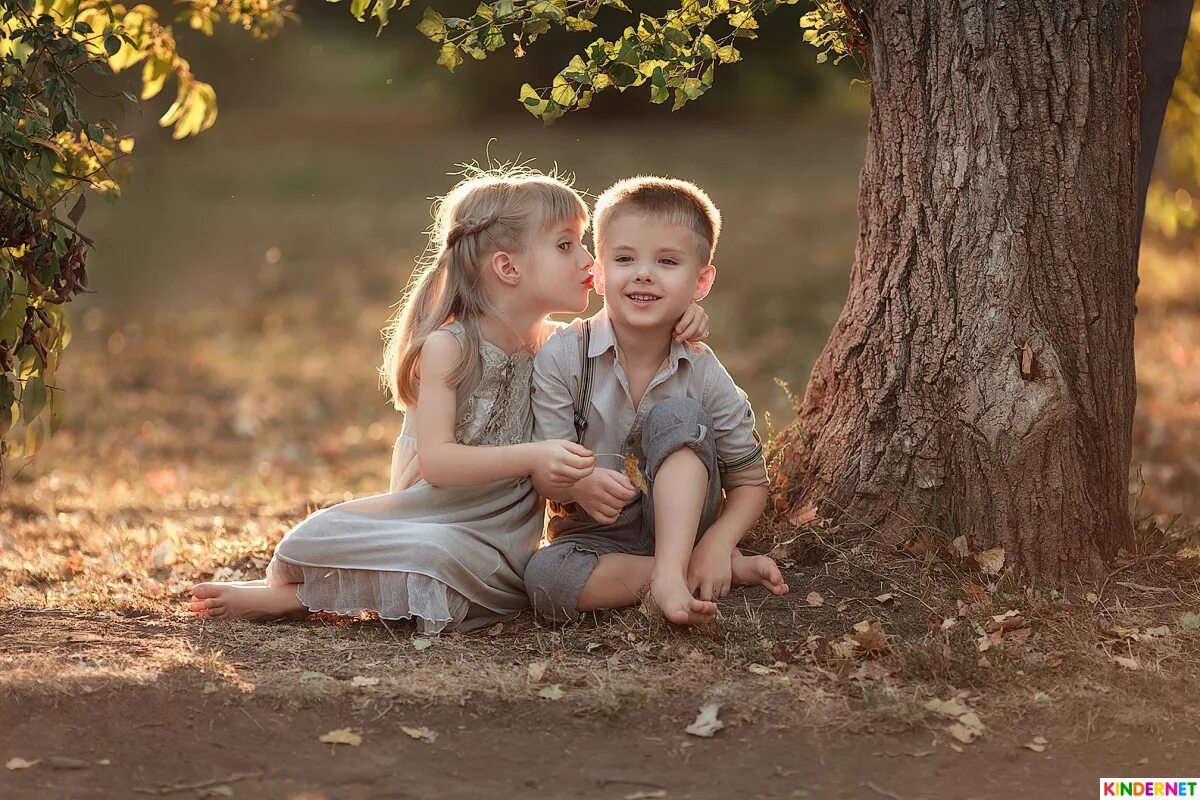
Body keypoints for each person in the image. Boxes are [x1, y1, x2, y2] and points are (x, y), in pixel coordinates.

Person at [189, 167, 710, 632]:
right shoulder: (448, 347)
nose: (590, 260)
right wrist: (534, 456)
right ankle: (290, 597)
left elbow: (628, 331)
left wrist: (682, 317)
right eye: (566, 245)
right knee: (404, 548)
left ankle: (680, 568)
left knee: (510, 575)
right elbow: (437, 464)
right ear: (508, 268)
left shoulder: (559, 345)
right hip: (430, 518)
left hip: (503, 540)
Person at [524, 176, 789, 627]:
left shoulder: (702, 369)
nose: (643, 273)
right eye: (625, 258)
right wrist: (578, 485)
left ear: (701, 281)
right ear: (599, 272)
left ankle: (680, 566)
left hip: (688, 527)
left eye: (667, 261)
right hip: (597, 534)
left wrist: (717, 541)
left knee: (679, 415)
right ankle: (679, 576)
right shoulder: (563, 356)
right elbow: (547, 475)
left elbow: (749, 482)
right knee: (545, 578)